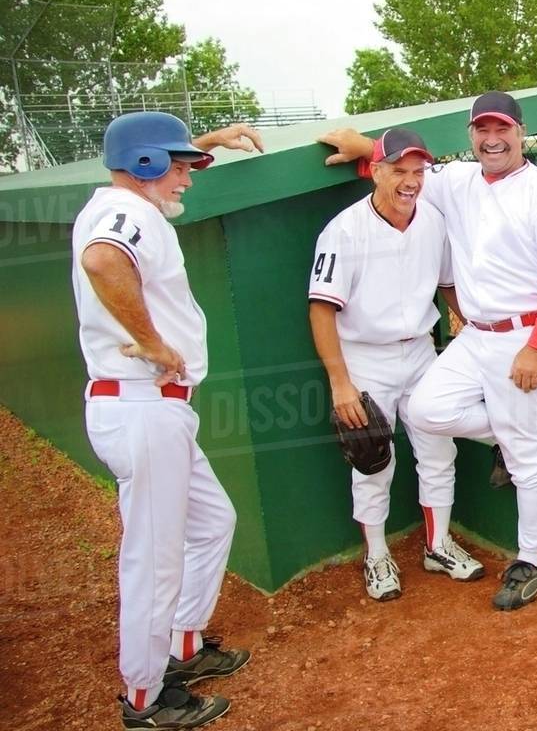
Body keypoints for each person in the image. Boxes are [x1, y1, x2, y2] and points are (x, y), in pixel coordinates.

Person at [318, 90, 537, 611]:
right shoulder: (459, 179)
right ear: (471, 135)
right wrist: (362, 147)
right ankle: (508, 435)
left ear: (521, 133)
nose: (492, 139)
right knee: (425, 410)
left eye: (503, 129)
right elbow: (402, 176)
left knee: (528, 457)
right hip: (475, 336)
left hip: (525, 338)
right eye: (482, 130)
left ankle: (533, 561)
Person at [71, 112, 263, 728]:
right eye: (178, 165)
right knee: (154, 561)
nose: (188, 177)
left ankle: (181, 646)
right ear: (147, 164)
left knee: (213, 523)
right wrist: (151, 341)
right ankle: (145, 700)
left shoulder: (127, 201)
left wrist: (207, 142)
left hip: (150, 409)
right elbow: (104, 261)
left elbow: (125, 221)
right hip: (141, 405)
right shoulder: (127, 214)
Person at [309, 126, 485, 602]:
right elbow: (321, 309)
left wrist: (474, 328)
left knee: (438, 448)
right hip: (366, 357)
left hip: (422, 351)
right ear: (375, 171)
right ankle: (376, 554)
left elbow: (448, 284)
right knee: (371, 461)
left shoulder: (432, 219)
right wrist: (340, 384)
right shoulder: (344, 229)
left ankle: (438, 544)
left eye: (418, 171)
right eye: (399, 171)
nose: (410, 181)